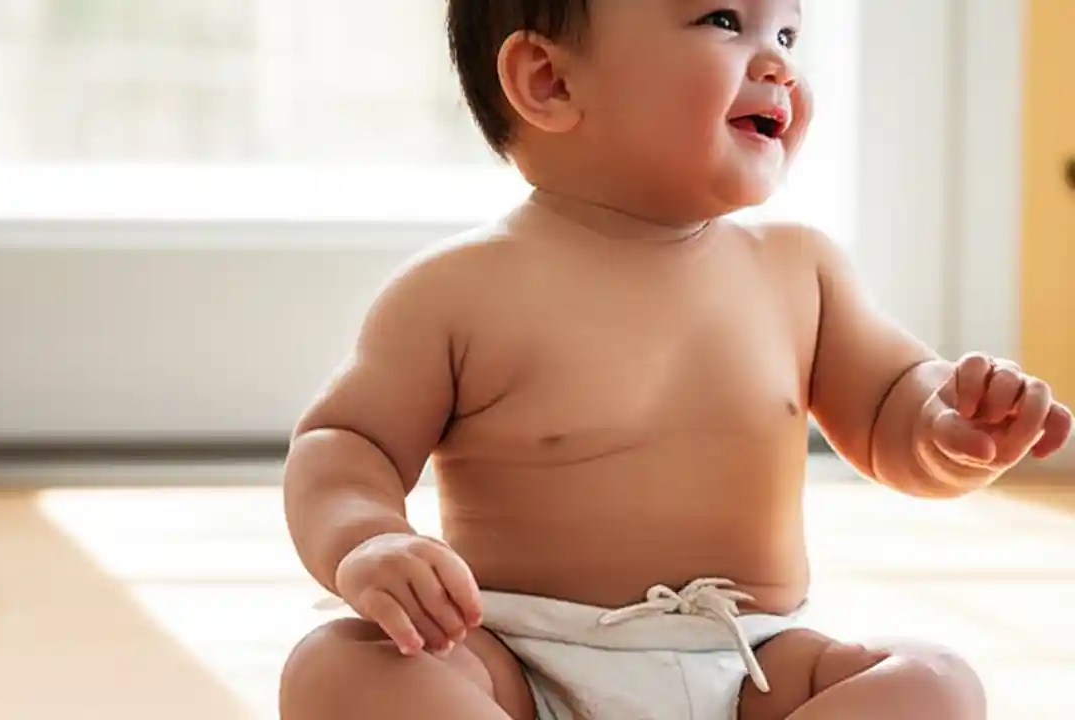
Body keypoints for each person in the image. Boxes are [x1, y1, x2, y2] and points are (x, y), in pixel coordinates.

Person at [278, 1, 1072, 717]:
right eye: (725, 21)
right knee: (336, 671)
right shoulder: (455, 290)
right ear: (549, 81)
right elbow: (346, 446)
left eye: (788, 33)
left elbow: (894, 406)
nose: (778, 64)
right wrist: (366, 540)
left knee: (934, 683)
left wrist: (951, 427)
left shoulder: (800, 270)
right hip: (516, 664)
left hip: (752, 667)